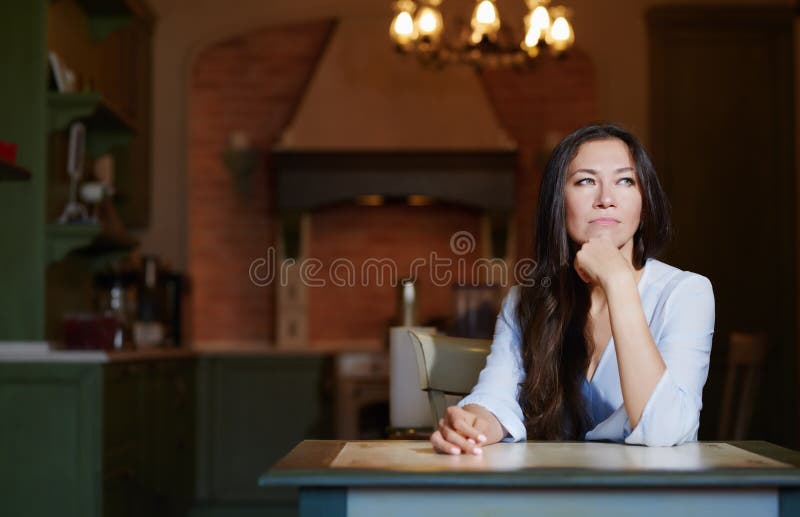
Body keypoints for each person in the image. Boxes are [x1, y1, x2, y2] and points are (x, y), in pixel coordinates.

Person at [431, 123, 715, 454]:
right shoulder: (528, 299)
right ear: (559, 200)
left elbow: (663, 429)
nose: (606, 199)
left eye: (625, 180)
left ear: (645, 199)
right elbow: (496, 395)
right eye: (585, 181)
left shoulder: (686, 293)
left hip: (657, 499)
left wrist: (618, 281)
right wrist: (470, 426)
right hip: (557, 494)